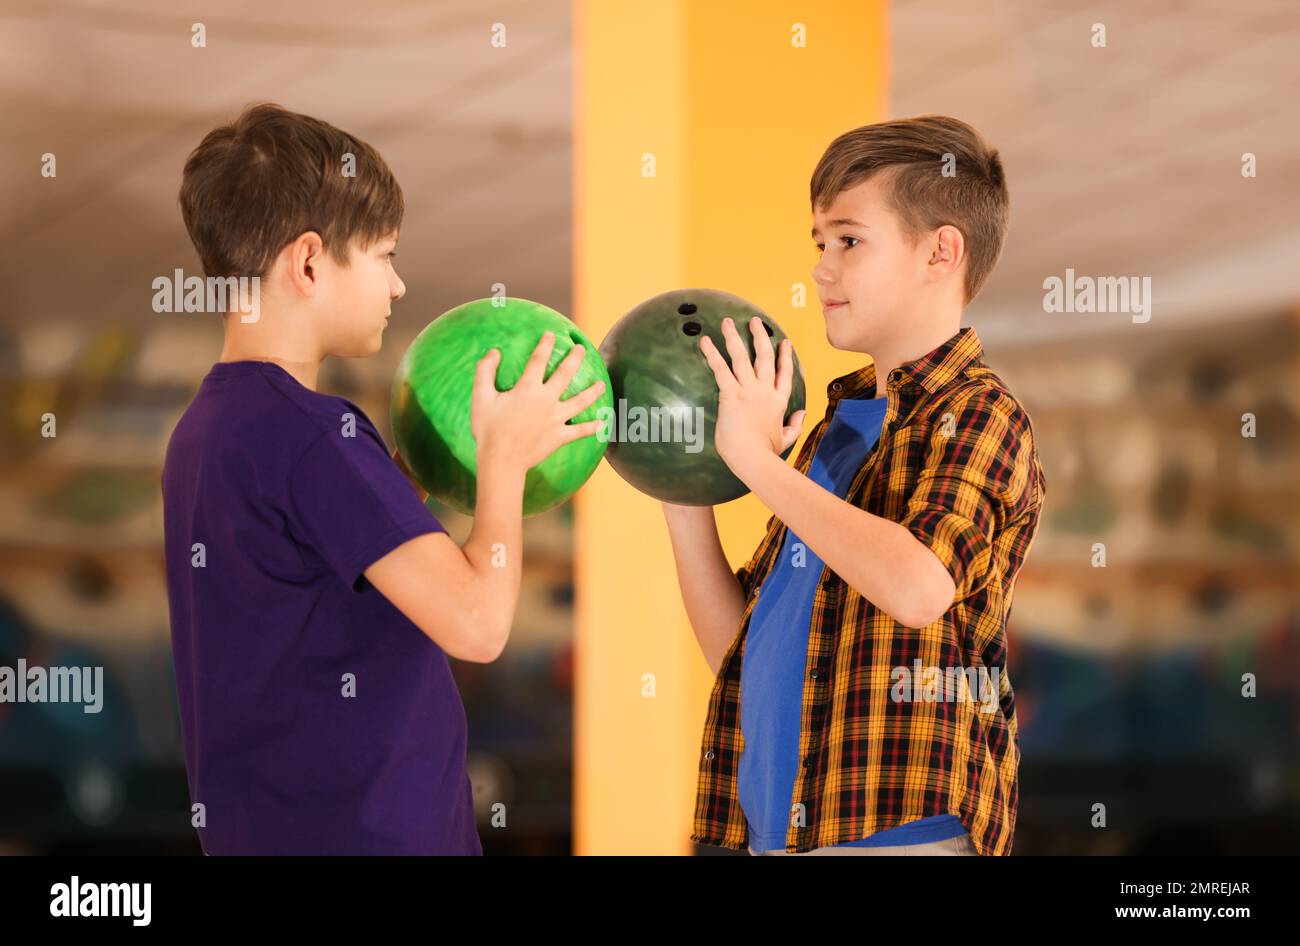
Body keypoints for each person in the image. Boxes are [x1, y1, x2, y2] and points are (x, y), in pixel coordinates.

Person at [161, 103, 603, 854]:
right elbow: (479, 624)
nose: (397, 286)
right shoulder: (312, 433)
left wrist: (405, 483)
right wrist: (502, 462)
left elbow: (318, 576)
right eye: (384, 256)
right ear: (308, 262)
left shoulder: (207, 430)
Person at [663, 116, 1047, 856]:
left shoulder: (978, 413)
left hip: (904, 835)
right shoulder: (837, 430)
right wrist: (686, 486)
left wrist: (760, 466)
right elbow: (738, 653)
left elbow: (917, 585)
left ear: (941, 251)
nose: (821, 267)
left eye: (848, 240)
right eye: (818, 243)